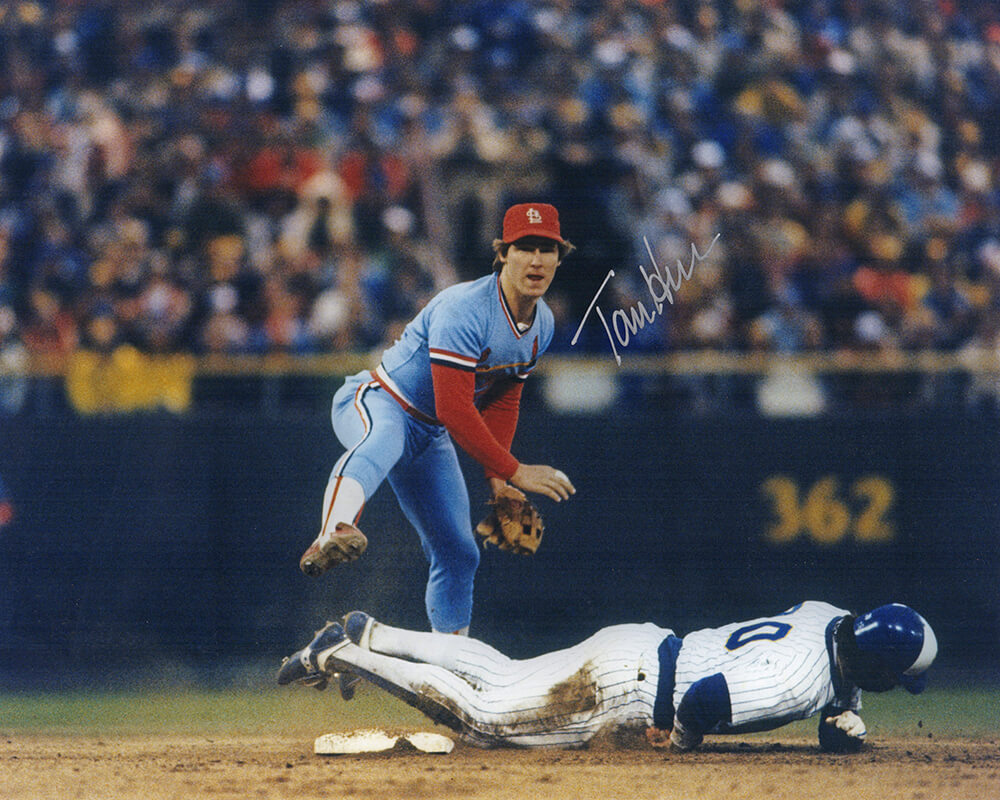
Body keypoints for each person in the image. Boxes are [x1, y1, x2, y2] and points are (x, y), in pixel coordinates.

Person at [299, 203, 577, 635]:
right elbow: (455, 407)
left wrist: (498, 482)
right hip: (381, 399)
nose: (537, 260)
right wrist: (515, 470)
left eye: (547, 249)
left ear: (561, 257)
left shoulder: (542, 324)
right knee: (382, 439)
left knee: (460, 553)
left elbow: (503, 401)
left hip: (430, 435)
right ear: (502, 253)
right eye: (525, 247)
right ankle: (334, 530)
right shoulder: (464, 307)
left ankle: (450, 673)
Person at [277, 601, 938, 752]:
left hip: (641, 643)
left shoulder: (833, 617)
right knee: (484, 723)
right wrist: (677, 742)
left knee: (503, 673)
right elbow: (707, 701)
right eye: (893, 677)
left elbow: (845, 661)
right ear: (876, 664)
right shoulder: (799, 679)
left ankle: (374, 632)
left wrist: (843, 708)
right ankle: (346, 654)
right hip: (631, 688)